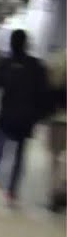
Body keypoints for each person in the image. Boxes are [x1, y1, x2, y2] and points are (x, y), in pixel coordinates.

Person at [0, 29, 49, 207]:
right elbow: (42, 94)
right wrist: (38, 117)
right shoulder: (36, 66)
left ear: (11, 43)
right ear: (26, 44)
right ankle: (11, 193)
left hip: (5, 116)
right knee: (19, 157)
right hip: (25, 119)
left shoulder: (5, 63)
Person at [45, 47, 67, 213]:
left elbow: (50, 87)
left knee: (56, 157)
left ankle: (56, 193)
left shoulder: (59, 59)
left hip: (59, 118)